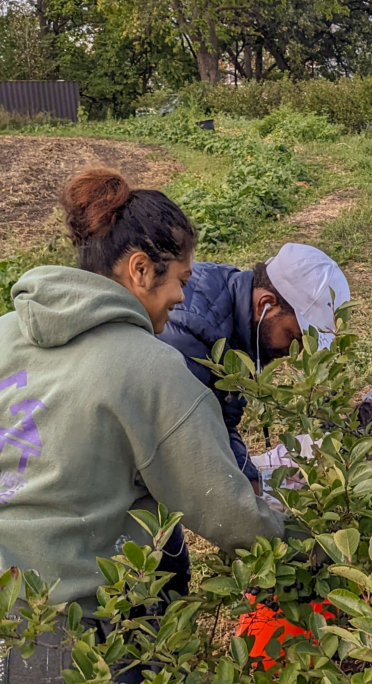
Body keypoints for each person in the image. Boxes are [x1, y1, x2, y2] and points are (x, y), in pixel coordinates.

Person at [0, 169, 290, 682]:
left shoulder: (6, 333)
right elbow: (227, 512)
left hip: (14, 612)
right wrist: (298, 541)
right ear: (140, 269)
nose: (180, 296)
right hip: (83, 628)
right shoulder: (150, 367)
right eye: (181, 279)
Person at [158, 243, 351, 491]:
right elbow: (188, 441)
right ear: (266, 304)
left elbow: (219, 422)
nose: (296, 352)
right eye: (294, 337)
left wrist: (251, 480)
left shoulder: (236, 311)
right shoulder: (189, 333)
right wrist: (249, 498)